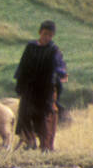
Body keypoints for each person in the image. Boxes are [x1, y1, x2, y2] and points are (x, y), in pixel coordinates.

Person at [14, 20, 67, 151]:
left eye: (49, 35)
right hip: (29, 88)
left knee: (44, 116)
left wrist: (59, 76)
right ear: (39, 33)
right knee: (24, 114)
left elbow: (59, 68)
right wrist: (20, 84)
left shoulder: (54, 50)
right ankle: (30, 141)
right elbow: (23, 66)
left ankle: (46, 145)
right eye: (44, 34)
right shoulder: (30, 48)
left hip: (45, 89)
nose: (46, 37)